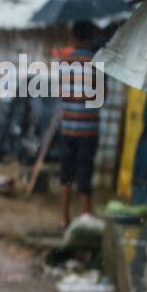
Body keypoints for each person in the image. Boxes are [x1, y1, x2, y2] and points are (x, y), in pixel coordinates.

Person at [56, 19, 101, 228]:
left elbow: (60, 93)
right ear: (91, 37)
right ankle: (85, 219)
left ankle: (64, 219)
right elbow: (101, 97)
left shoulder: (64, 62)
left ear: (74, 37)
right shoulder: (96, 63)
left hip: (67, 129)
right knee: (85, 174)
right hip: (88, 131)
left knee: (66, 174)